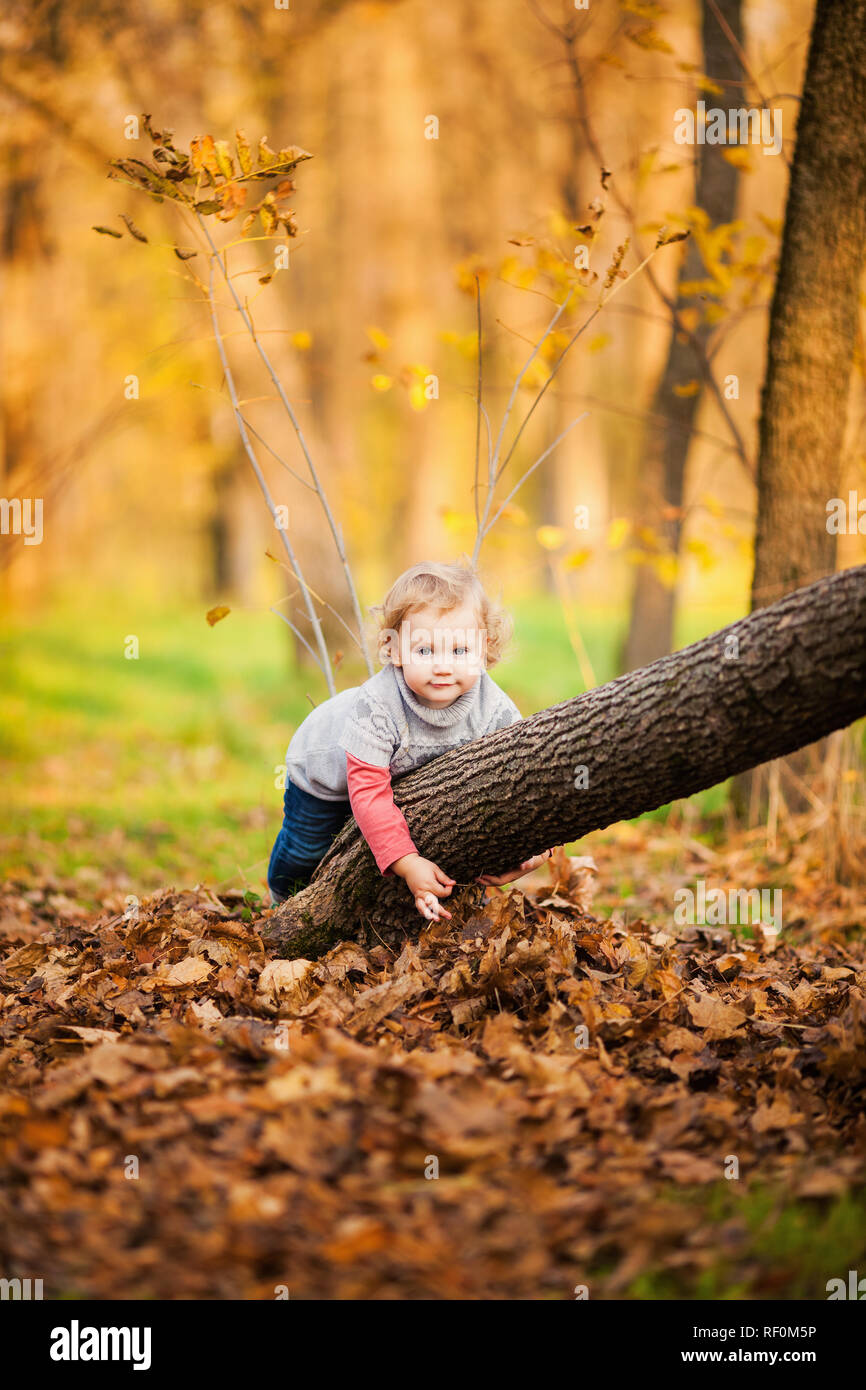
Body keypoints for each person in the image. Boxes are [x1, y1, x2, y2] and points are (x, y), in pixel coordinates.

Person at [267, 559, 553, 919]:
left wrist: (539, 845)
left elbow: (525, 771)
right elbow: (369, 793)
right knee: (305, 852)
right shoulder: (379, 705)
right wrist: (407, 862)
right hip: (325, 776)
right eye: (425, 650)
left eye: (460, 650)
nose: (443, 665)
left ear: (484, 648)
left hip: (399, 772)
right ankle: (280, 898)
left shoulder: (492, 706)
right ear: (395, 650)